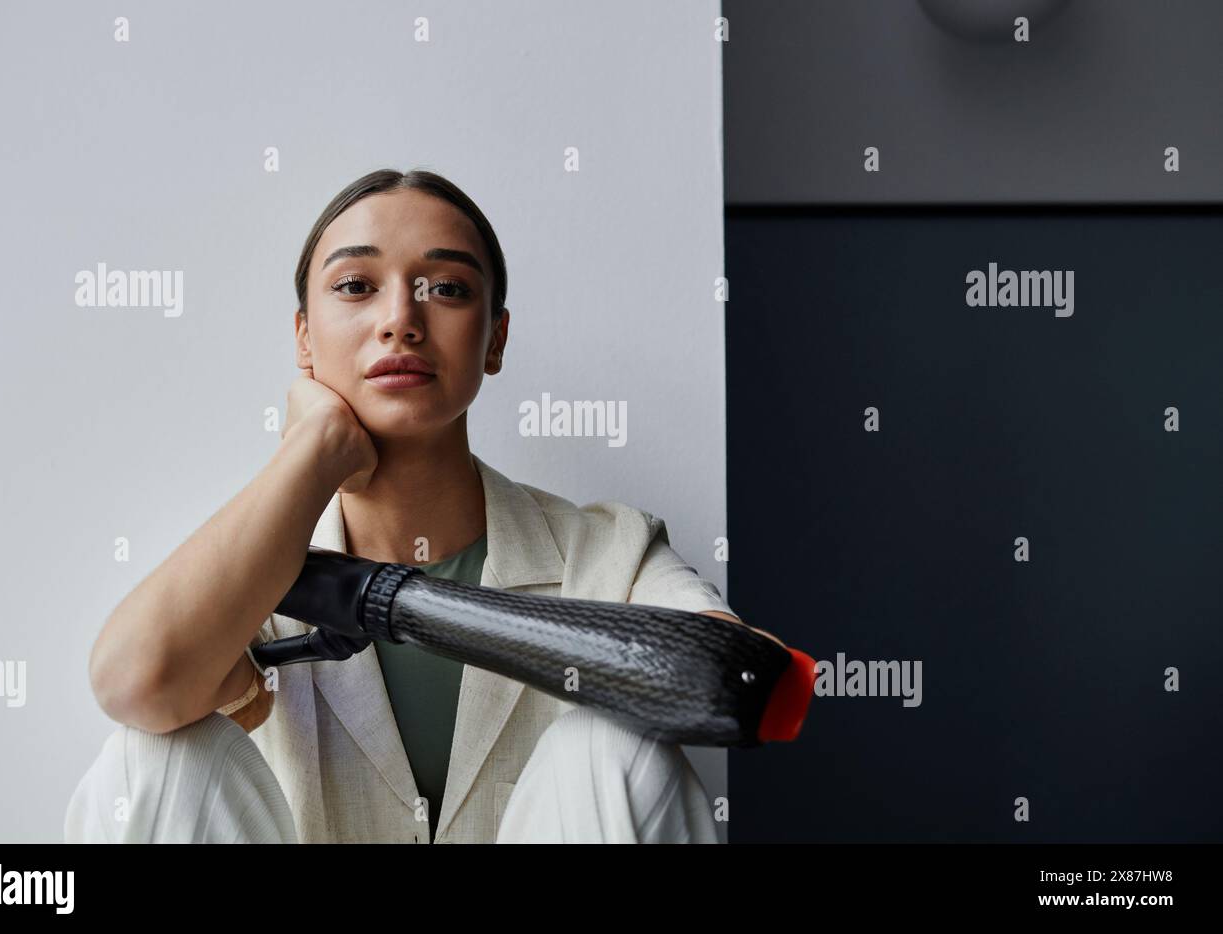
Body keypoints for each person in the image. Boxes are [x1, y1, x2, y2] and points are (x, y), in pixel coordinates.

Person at [66, 168, 775, 844]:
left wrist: (393, 603)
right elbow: (134, 682)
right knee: (155, 755)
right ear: (304, 340)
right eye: (355, 286)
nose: (401, 318)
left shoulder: (605, 551)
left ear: (494, 337)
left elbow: (740, 678)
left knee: (608, 741)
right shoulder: (247, 572)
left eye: (446, 288)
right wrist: (313, 452)